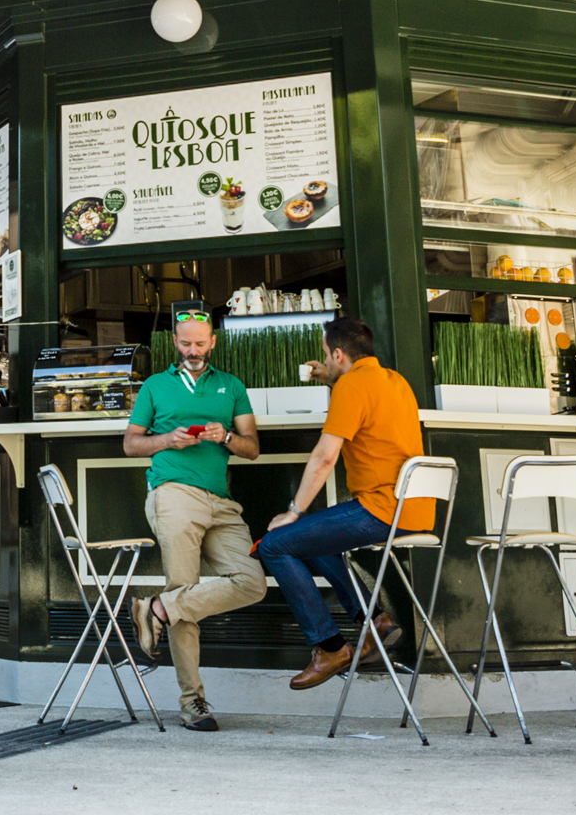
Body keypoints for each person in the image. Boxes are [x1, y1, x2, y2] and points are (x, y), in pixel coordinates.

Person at [122, 304, 267, 732]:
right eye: (185, 343)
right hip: (173, 492)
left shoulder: (232, 386)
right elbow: (130, 445)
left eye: (200, 343)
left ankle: (155, 609)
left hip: (221, 501)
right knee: (184, 589)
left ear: (213, 343)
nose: (193, 350)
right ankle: (193, 703)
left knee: (252, 582)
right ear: (175, 343)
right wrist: (168, 440)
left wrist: (228, 438)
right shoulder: (154, 386)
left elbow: (253, 447)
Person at [256, 317, 420, 690]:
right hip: (414, 509)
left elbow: (324, 458)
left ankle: (329, 646)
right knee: (306, 541)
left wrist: (293, 510)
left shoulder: (352, 387)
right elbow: (361, 395)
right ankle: (374, 619)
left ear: (338, 353)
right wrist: (330, 379)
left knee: (276, 544)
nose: (326, 362)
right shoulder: (396, 381)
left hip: (380, 509)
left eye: (327, 357)